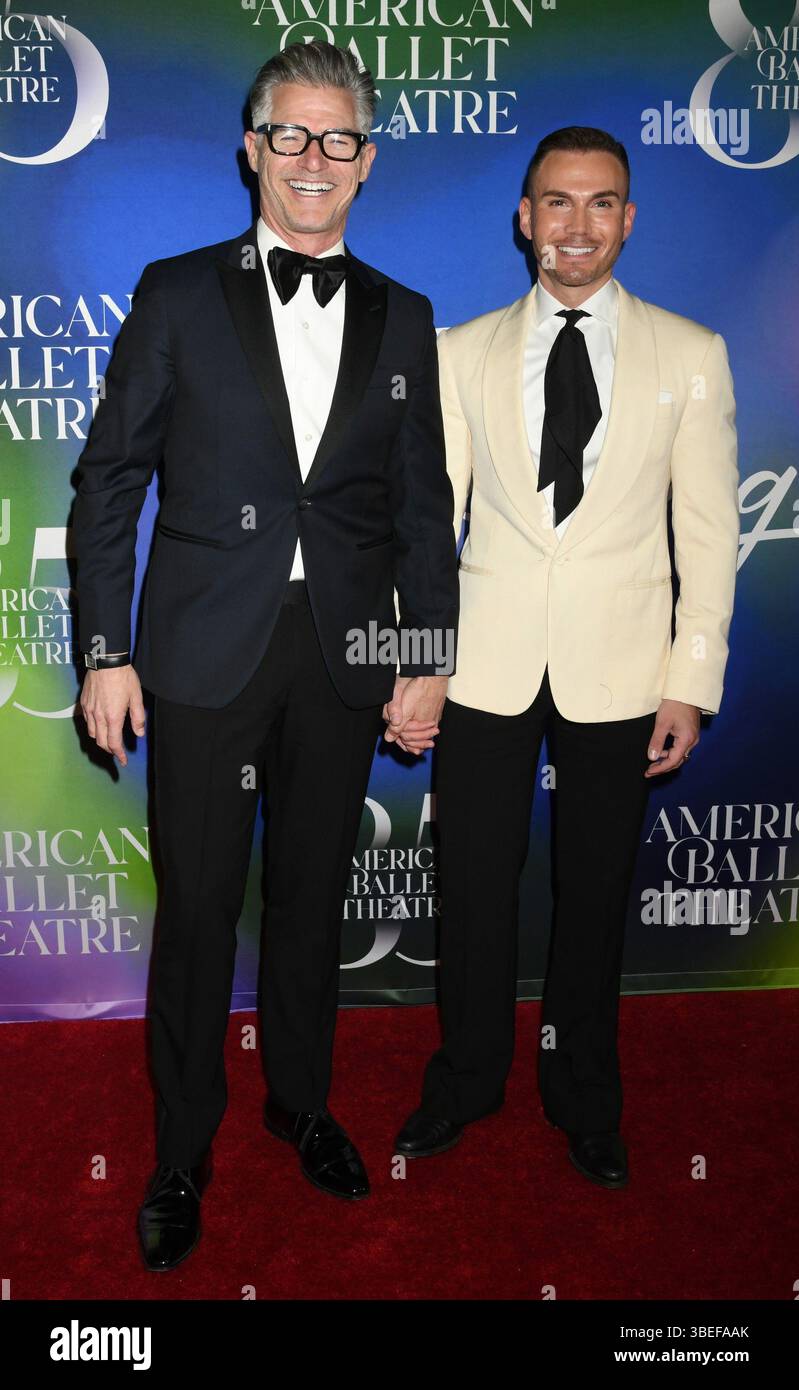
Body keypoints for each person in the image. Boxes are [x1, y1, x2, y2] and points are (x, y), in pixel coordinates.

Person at [72, 40, 457, 1271]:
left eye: (335, 138)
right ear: (251, 149)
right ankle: (182, 1146)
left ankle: (301, 1102)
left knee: (309, 904)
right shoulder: (178, 291)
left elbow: (419, 508)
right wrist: (104, 648)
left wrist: (420, 655)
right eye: (287, 135)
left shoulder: (404, 314)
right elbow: (108, 480)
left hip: (342, 658)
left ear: (367, 160)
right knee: (194, 912)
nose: (310, 160)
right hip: (194, 655)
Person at [394, 126, 739, 1189]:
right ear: (523, 217)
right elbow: (426, 527)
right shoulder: (461, 351)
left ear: (628, 219)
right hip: (484, 667)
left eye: (600, 204)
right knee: (473, 891)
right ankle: (465, 1082)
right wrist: (419, 661)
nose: (576, 225)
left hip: (623, 672)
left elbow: (706, 532)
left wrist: (691, 678)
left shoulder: (691, 354)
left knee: (593, 897)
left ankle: (587, 1096)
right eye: (556, 202)